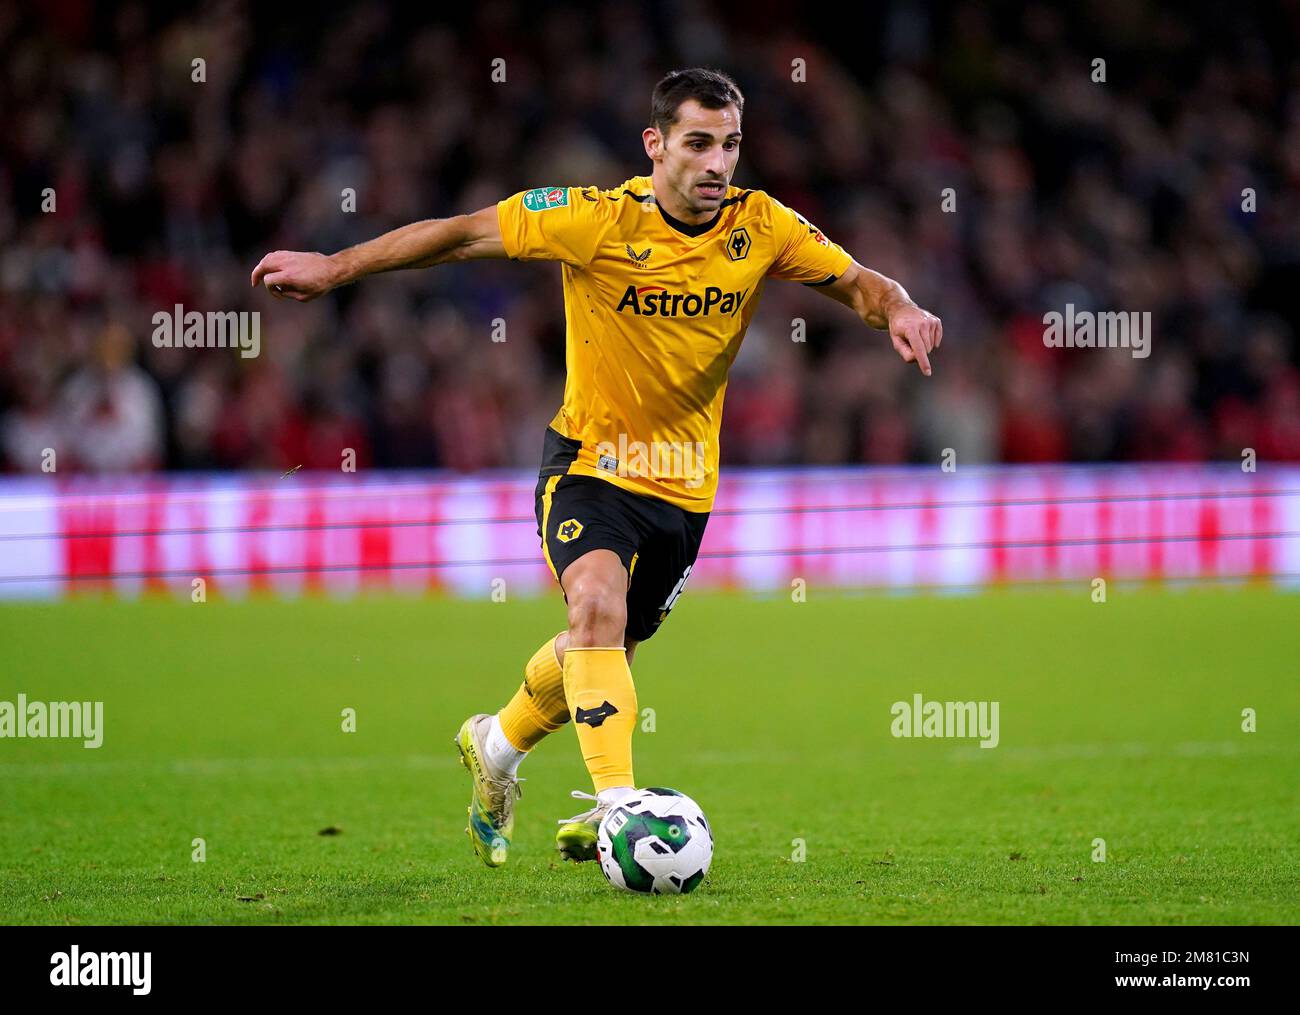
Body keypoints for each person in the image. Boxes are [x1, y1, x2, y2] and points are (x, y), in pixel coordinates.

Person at [251, 67, 942, 867]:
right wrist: (335, 268)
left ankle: (496, 749)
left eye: (731, 146)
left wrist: (901, 307)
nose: (718, 163)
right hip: (590, 464)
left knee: (604, 647)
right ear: (655, 145)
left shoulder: (764, 227)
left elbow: (859, 283)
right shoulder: (593, 219)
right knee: (596, 609)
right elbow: (461, 233)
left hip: (686, 487)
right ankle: (621, 807)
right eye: (698, 144)